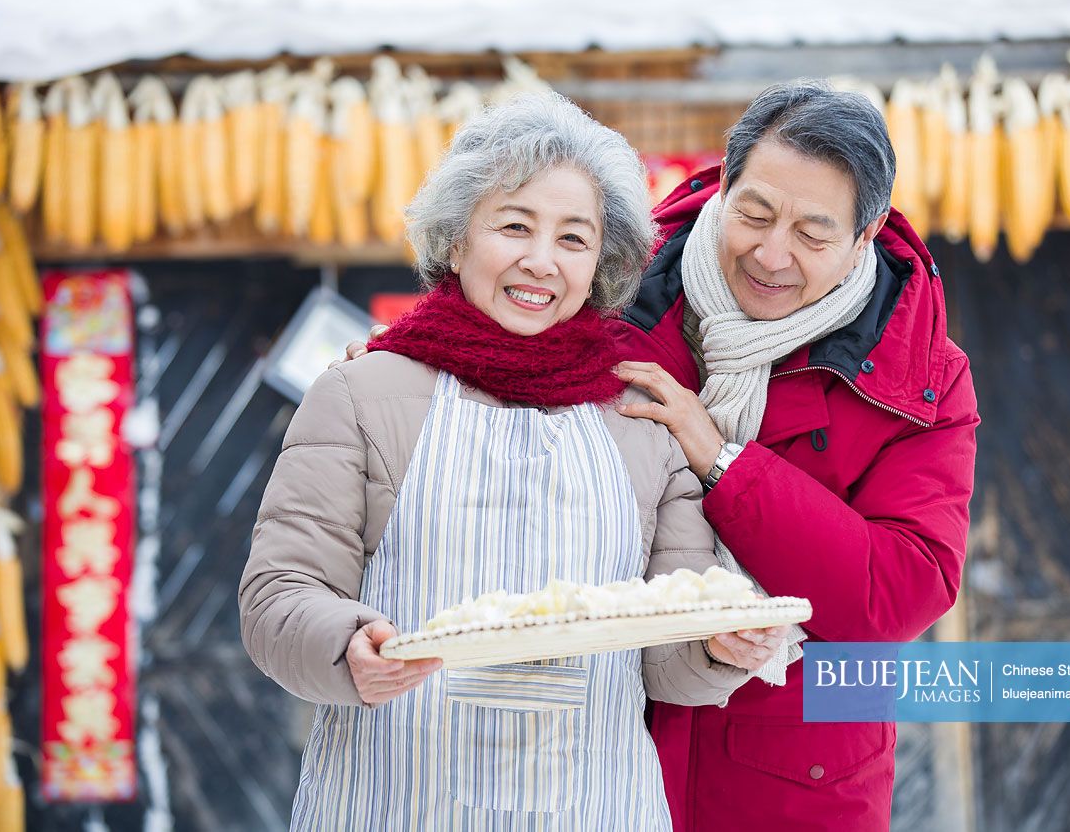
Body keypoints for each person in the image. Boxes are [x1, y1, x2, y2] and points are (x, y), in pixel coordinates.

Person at [238, 91, 785, 831]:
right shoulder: (362, 392)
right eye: (514, 225)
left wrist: (717, 643)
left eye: (572, 238)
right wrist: (345, 645)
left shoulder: (640, 419)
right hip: (392, 799)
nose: (540, 260)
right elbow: (280, 590)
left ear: (601, 262)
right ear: (456, 240)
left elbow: (666, 647)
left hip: (596, 805)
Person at [609, 82, 980, 831]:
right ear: (723, 182)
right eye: (753, 213)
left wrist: (724, 462)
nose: (770, 254)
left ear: (865, 232)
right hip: (603, 738)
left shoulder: (919, 375)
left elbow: (901, 589)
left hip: (792, 777)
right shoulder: (621, 286)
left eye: (812, 234)